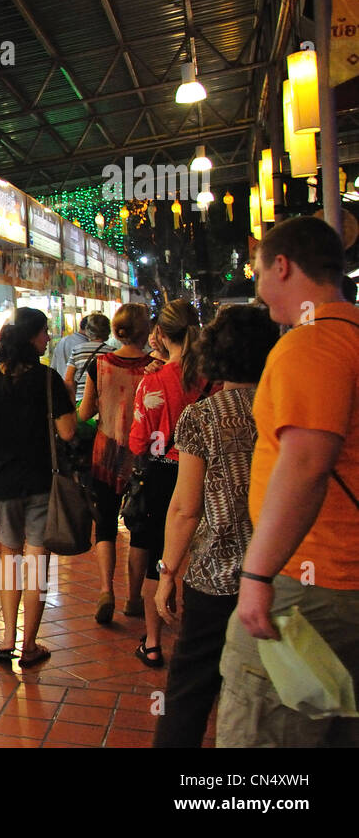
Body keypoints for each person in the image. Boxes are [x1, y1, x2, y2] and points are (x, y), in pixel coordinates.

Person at [218, 216, 359, 747]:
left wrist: (256, 576)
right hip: (342, 579)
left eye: (258, 271)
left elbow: (305, 465)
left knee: (261, 735)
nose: (258, 288)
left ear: (282, 265)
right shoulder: (352, 333)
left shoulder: (311, 344)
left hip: (309, 581)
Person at [153, 305, 279, 747]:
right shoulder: (284, 409)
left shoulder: (202, 417)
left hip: (215, 577)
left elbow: (185, 510)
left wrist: (167, 573)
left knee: (188, 691)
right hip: (280, 576)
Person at [0, 307, 76, 669]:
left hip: (2, 484)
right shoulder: (49, 380)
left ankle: (6, 639)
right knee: (35, 566)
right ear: (32, 338)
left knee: (9, 559)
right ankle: (30, 645)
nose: (48, 338)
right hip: (41, 482)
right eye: (45, 332)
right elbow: (67, 432)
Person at [129, 299, 210, 667]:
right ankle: (198, 638)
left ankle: (153, 642)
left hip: (161, 476)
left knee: (155, 561)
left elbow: (137, 441)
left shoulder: (153, 381)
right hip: (205, 475)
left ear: (160, 334)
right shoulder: (211, 380)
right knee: (197, 556)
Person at [78, 303, 153, 624]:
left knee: (105, 525)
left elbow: (84, 413)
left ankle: (106, 590)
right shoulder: (156, 367)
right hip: (144, 457)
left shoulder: (100, 365)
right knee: (140, 531)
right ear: (145, 330)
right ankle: (134, 598)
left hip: (105, 454)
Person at [64, 312, 111, 406]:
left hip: (81, 401)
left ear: (87, 330)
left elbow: (69, 379)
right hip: (103, 402)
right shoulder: (112, 352)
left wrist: (72, 402)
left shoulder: (77, 350)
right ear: (107, 331)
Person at [51, 316, 89, 382]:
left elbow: (53, 366)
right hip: (78, 388)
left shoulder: (62, 341)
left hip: (61, 386)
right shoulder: (85, 346)